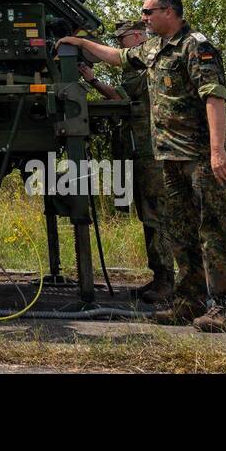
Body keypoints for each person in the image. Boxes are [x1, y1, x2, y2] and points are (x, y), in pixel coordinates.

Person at [58, 0, 226, 332]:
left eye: (149, 12)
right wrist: (80, 43)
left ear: (169, 12)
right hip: (168, 156)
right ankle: (189, 304)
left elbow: (214, 98)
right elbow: (117, 57)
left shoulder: (195, 46)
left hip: (199, 156)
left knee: (213, 233)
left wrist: (218, 151)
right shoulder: (153, 48)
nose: (144, 17)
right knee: (180, 231)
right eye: (143, 12)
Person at [79, 20, 173, 303]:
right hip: (144, 151)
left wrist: (93, 80)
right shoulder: (146, 61)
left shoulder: (145, 64)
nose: (121, 46)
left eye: (122, 40)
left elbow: (122, 97)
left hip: (150, 152)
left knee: (156, 216)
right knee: (150, 215)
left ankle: (167, 281)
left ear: (137, 36)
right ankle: (162, 277)